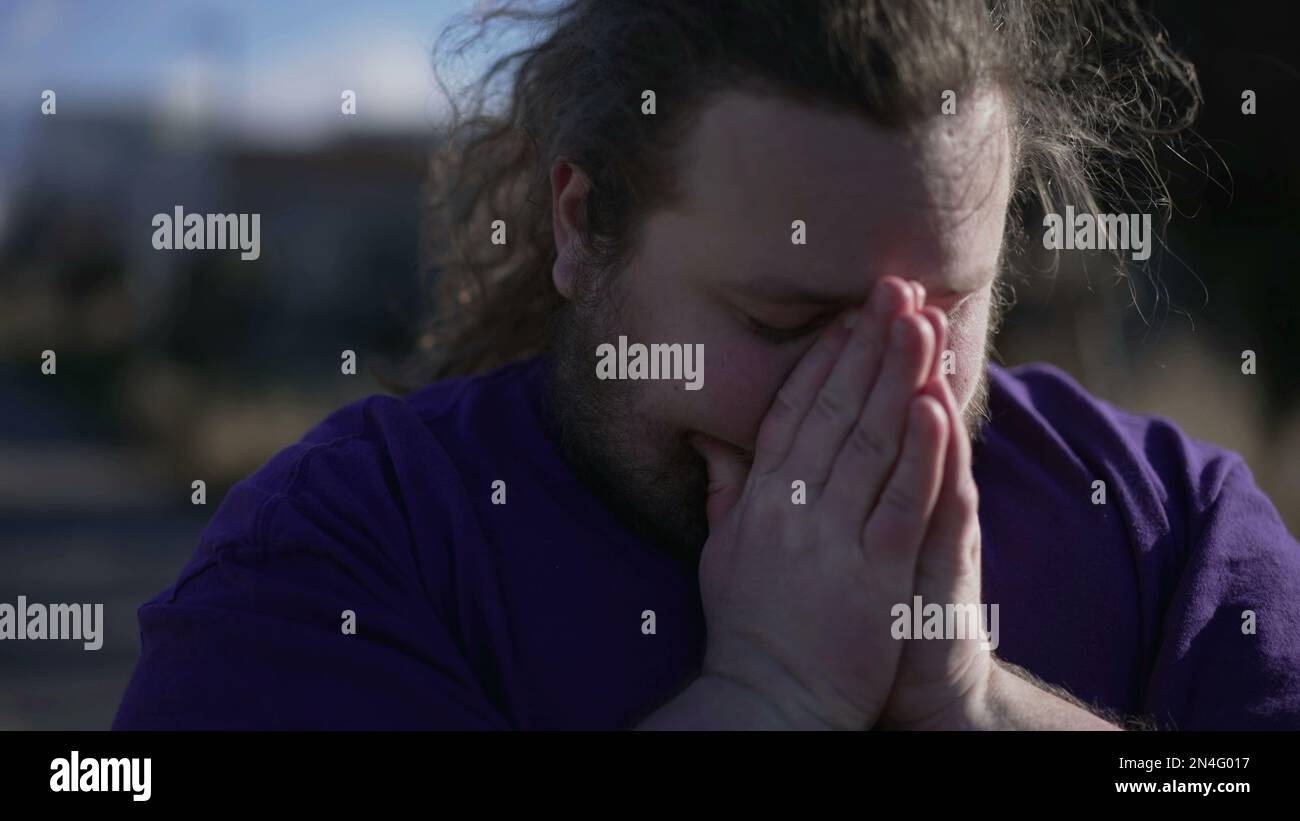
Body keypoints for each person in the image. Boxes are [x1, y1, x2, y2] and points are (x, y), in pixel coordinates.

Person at [114, 0, 1300, 730]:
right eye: (782, 323)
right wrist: (769, 697)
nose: (877, 394)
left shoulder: (1170, 529)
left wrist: (974, 704)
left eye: (942, 314)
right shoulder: (345, 556)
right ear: (582, 224)